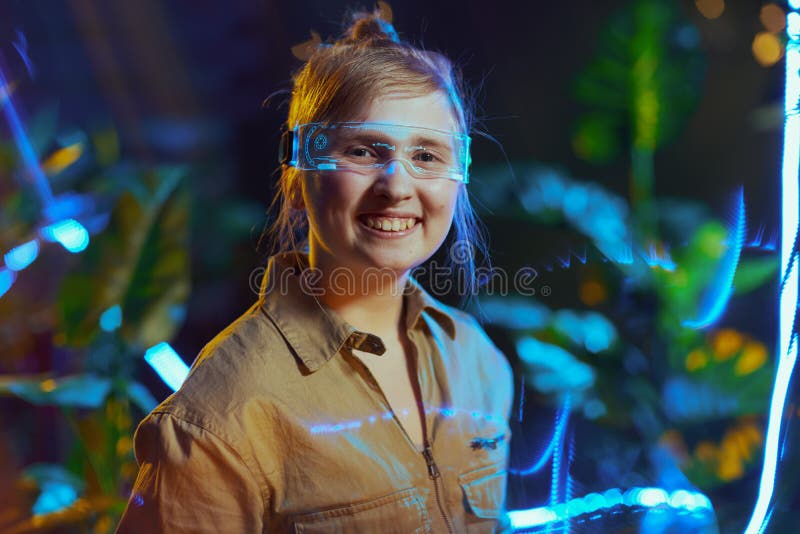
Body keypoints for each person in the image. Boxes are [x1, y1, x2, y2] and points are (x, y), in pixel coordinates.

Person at [117, 9, 514, 533]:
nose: (396, 186)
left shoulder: (479, 363)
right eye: (362, 151)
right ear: (299, 178)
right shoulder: (222, 417)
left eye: (426, 154)